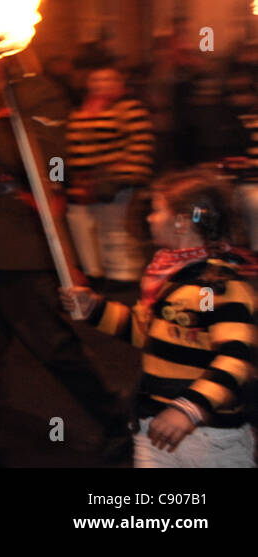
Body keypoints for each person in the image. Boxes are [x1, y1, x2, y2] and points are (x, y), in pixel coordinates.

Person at [0, 48, 128, 466]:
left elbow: (45, 162)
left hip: (21, 246)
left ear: (2, 57)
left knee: (55, 349)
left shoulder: (39, 94)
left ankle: (117, 424)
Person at [61, 171, 257, 467]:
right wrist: (95, 309)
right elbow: (147, 333)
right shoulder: (167, 277)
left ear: (180, 221)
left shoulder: (216, 285)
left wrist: (190, 408)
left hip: (210, 437)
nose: (149, 219)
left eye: (156, 210)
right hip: (155, 426)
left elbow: (234, 358)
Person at [64, 66, 154, 288]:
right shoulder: (80, 110)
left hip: (116, 180)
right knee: (88, 227)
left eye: (107, 80)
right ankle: (96, 272)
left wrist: (126, 175)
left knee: (116, 229)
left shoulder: (129, 108)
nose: (100, 85)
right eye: (95, 79)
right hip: (85, 181)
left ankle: (124, 275)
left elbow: (140, 144)